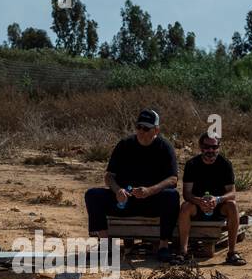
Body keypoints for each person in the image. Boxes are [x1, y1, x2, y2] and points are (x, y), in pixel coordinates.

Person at [84, 108, 180, 262]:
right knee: (93, 195)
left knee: (172, 196)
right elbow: (109, 176)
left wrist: (150, 190)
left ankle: (163, 246)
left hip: (151, 201)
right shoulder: (124, 145)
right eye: (139, 127)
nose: (141, 131)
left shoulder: (164, 147)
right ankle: (105, 245)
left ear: (156, 130)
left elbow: (173, 179)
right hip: (125, 201)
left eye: (146, 128)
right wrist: (117, 190)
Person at [175, 133, 243, 265]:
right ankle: (183, 252)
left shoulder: (225, 164)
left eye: (214, 147)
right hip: (197, 205)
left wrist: (217, 199)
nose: (210, 150)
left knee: (232, 205)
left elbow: (232, 192)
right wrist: (199, 201)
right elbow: (187, 194)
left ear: (218, 147)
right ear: (201, 147)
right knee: (184, 207)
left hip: (219, 206)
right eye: (207, 147)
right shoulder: (192, 164)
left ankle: (232, 252)